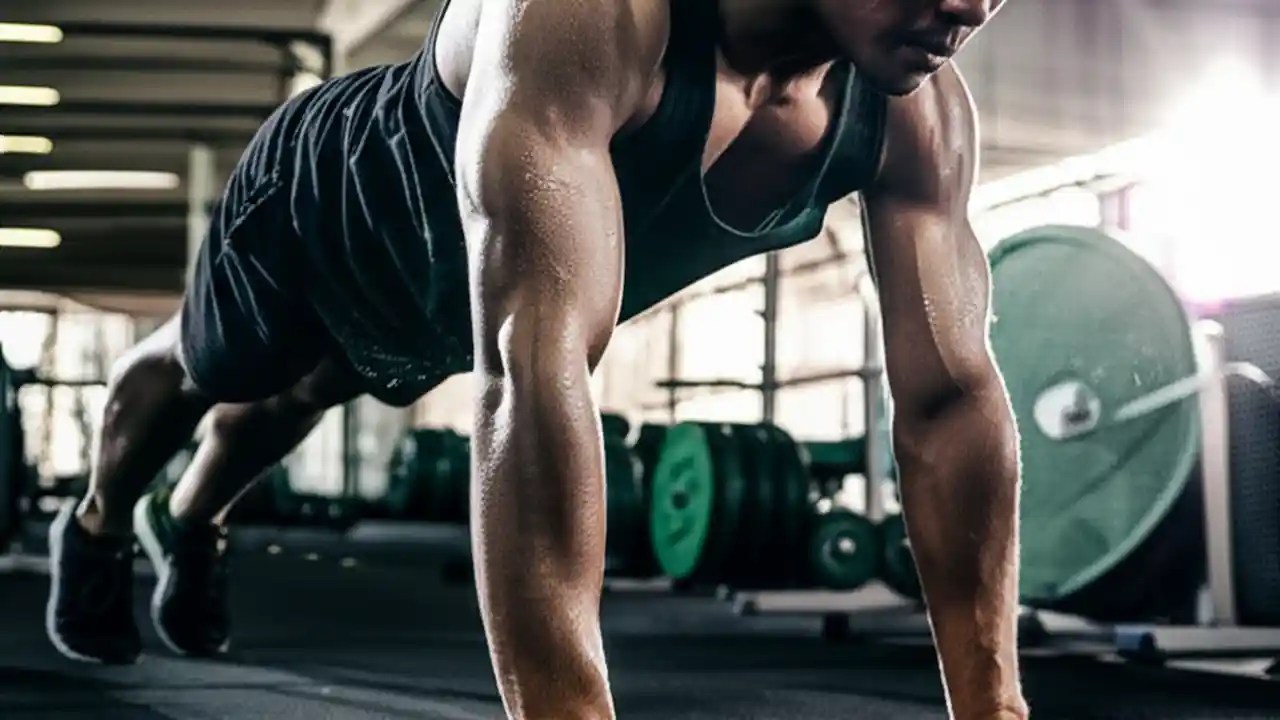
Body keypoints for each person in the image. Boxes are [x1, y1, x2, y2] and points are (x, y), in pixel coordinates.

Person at [46, 0, 1025, 717]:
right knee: (219, 369)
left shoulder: (916, 120)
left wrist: (992, 708)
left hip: (451, 304)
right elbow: (537, 372)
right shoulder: (592, 18)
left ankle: (193, 519)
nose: (972, 7)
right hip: (325, 208)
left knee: (305, 394)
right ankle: (98, 522)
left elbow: (947, 402)